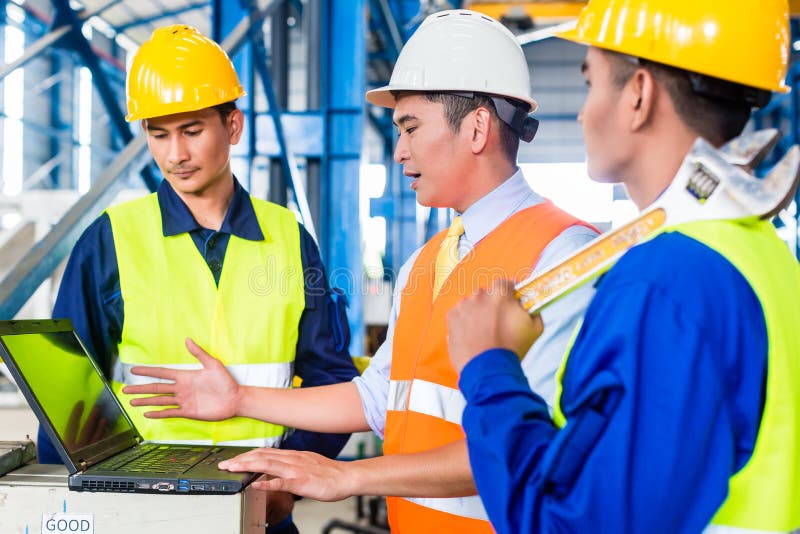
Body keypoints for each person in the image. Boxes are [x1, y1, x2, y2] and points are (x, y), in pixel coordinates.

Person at [124, 10, 598, 533]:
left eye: (410, 127)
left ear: (478, 127)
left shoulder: (564, 256)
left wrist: (349, 477)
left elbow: (526, 445)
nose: (398, 152)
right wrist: (238, 399)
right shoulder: (429, 260)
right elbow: (375, 399)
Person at [446, 0, 800, 532]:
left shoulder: (666, 284)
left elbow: (575, 524)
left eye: (590, 84)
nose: (583, 112)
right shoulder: (761, 254)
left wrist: (489, 367)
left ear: (638, 95)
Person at [39, 25, 358, 534]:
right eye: (158, 134)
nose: (175, 155)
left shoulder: (289, 240)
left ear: (233, 126)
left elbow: (333, 380)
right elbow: (65, 399)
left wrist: (289, 480)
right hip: (142, 509)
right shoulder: (109, 241)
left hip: (261, 502)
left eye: (191, 131)